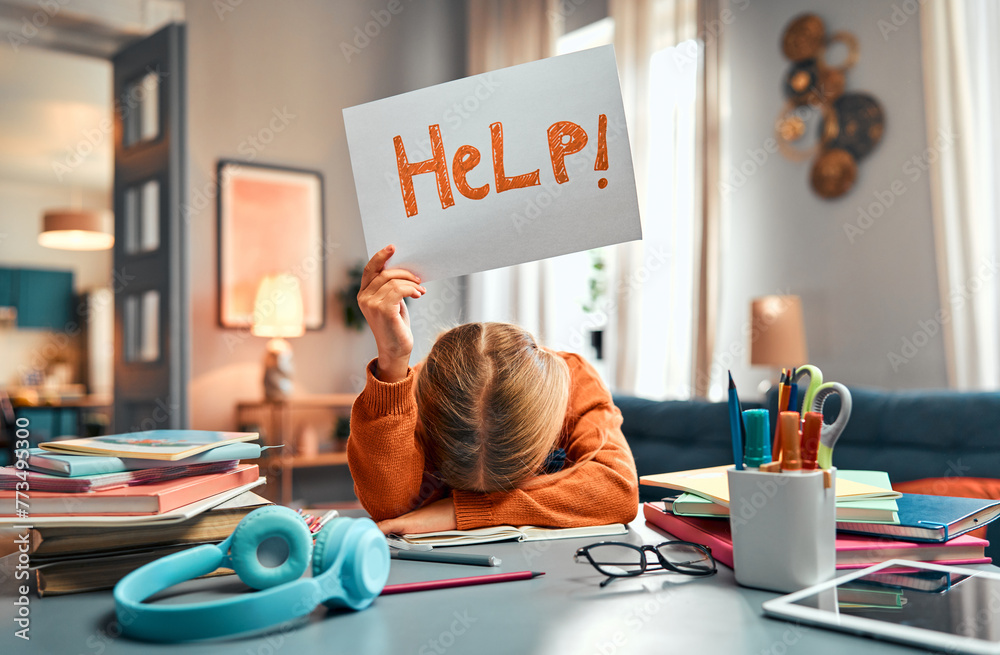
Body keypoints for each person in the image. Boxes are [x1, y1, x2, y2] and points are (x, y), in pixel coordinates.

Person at [348, 244, 638, 535]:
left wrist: (461, 510)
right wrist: (392, 362)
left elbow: (618, 491)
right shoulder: (419, 390)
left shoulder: (574, 380)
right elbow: (390, 509)